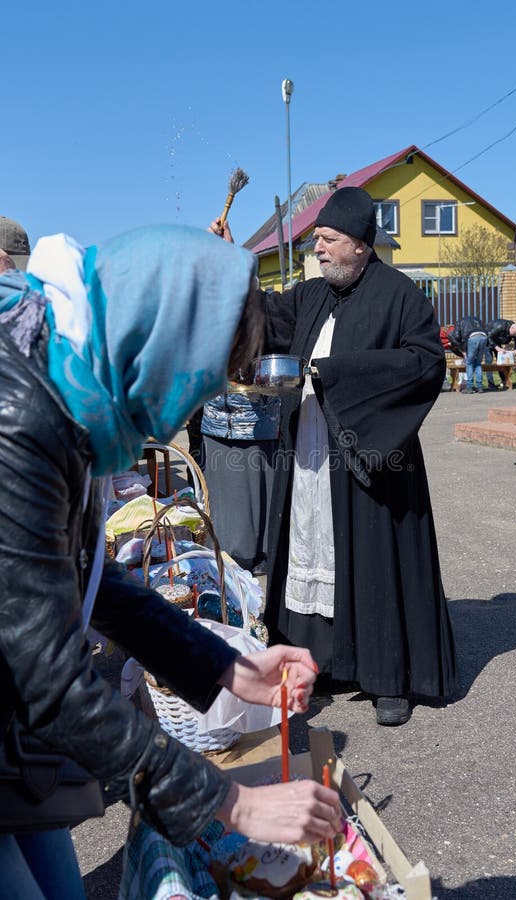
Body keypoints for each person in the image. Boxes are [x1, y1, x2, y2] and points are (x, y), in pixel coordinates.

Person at [0, 227, 341, 898]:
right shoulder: (20, 417)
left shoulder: (70, 376)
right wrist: (232, 803)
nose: (186, 409)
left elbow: (90, 578)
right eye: (197, 378)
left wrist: (225, 667)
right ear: (156, 343)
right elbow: (44, 672)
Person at [210, 187, 457, 727]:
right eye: (316, 239)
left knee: (373, 557)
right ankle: (317, 661)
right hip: (309, 452)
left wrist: (333, 377)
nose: (317, 248)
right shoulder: (312, 294)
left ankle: (389, 678)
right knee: (310, 545)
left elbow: (423, 364)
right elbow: (261, 317)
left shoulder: (401, 296)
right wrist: (232, 266)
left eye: (328, 239)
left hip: (369, 453)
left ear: (361, 246)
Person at [201, 387, 280, 575]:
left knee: (261, 491)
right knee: (222, 497)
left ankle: (264, 553)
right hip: (215, 417)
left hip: (258, 418)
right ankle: (225, 553)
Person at [448, 315, 488, 393]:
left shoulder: (460, 322)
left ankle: (469, 387)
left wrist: (462, 350)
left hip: (472, 338)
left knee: (469, 363)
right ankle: (480, 387)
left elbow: (456, 336)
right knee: (478, 363)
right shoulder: (477, 319)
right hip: (483, 336)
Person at [484, 319, 516, 390]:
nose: (513, 335)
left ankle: (504, 381)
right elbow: (489, 336)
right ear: (512, 328)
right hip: (488, 342)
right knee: (489, 362)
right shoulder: (500, 326)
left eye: (515, 334)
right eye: (513, 333)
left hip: (497, 342)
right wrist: (497, 348)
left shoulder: (514, 330)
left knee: (501, 362)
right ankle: (491, 384)